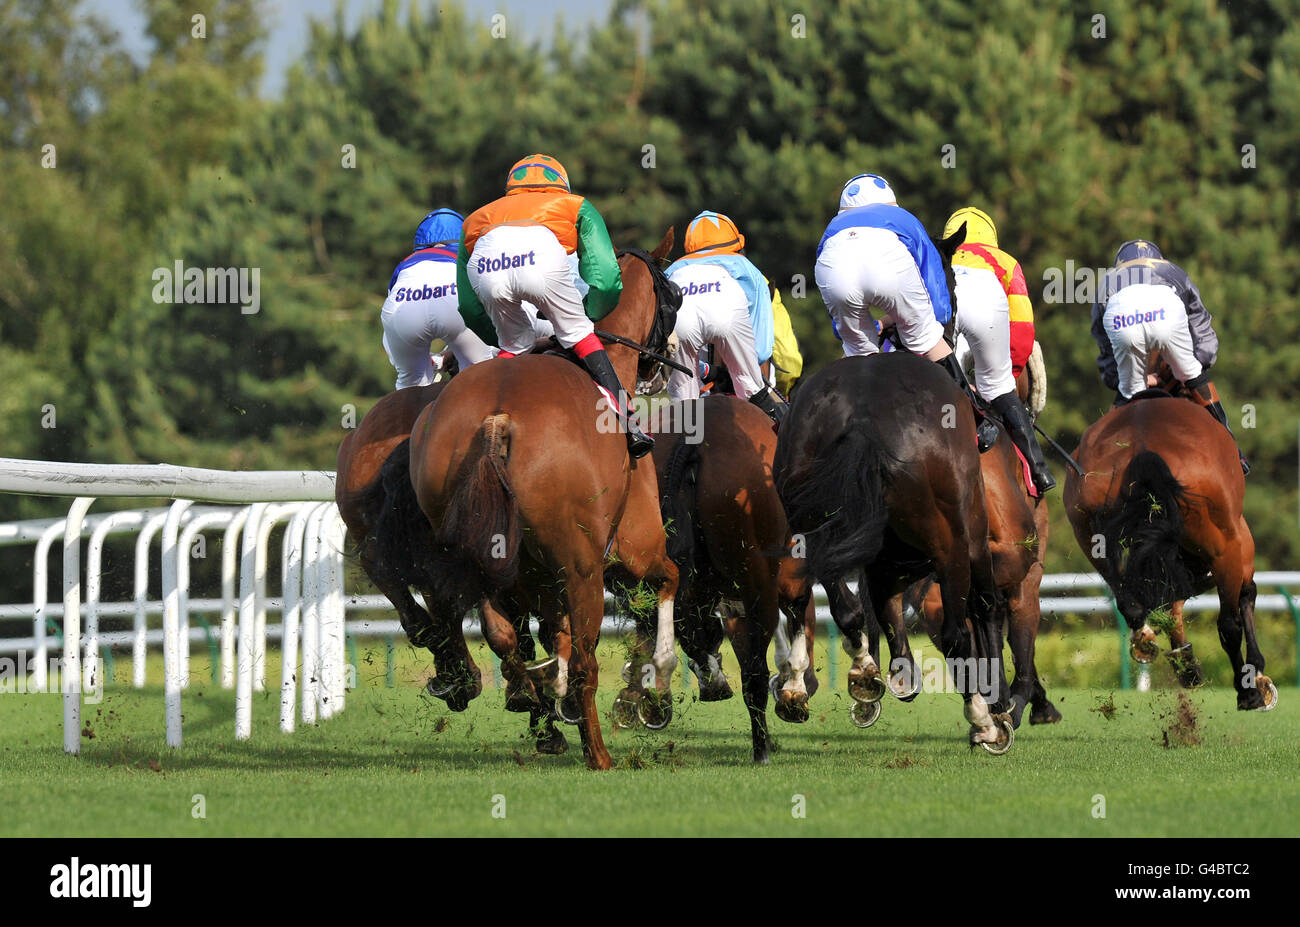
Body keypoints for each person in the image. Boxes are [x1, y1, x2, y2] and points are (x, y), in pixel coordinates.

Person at [455, 154, 653, 458]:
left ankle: (484, 408)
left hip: (488, 264)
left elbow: (468, 306)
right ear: (562, 186)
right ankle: (630, 423)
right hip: (541, 260)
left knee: (515, 344)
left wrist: (502, 337)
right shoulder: (575, 204)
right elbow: (606, 276)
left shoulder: (476, 217)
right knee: (579, 334)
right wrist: (590, 314)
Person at [1092, 239, 1249, 475]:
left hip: (1122, 318)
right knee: (1192, 373)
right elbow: (1200, 325)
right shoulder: (1172, 270)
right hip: (1165, 309)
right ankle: (1234, 452)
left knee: (1129, 392)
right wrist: (1196, 366)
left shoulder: (1107, 280)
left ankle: (1105, 467)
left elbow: (1104, 343)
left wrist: (1121, 380)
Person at [814, 173, 970, 393]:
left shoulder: (832, 226)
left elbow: (829, 285)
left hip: (834, 271)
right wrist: (936, 320)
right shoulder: (903, 217)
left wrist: (849, 334)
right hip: (889, 270)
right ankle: (972, 410)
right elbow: (933, 278)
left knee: (856, 352)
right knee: (927, 338)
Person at [943, 206, 1056, 493]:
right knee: (1000, 387)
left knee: (943, 385)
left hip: (949, 312)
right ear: (991, 235)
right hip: (986, 315)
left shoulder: (940, 254)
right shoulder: (1005, 260)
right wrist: (1009, 373)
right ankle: (1039, 470)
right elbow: (1022, 326)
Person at [663, 211, 786, 423]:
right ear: (736, 246)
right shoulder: (745, 266)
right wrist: (750, 364)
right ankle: (784, 431)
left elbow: (663, 323)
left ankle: (683, 444)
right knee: (751, 387)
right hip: (726, 315)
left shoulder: (673, 269)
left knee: (683, 399)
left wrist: (705, 371)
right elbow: (761, 345)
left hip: (682, 319)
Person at [381, 208, 494, 389]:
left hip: (404, 312)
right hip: (454, 306)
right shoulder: (468, 256)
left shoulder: (405, 263)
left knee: (410, 386)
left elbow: (390, 330)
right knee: (479, 375)